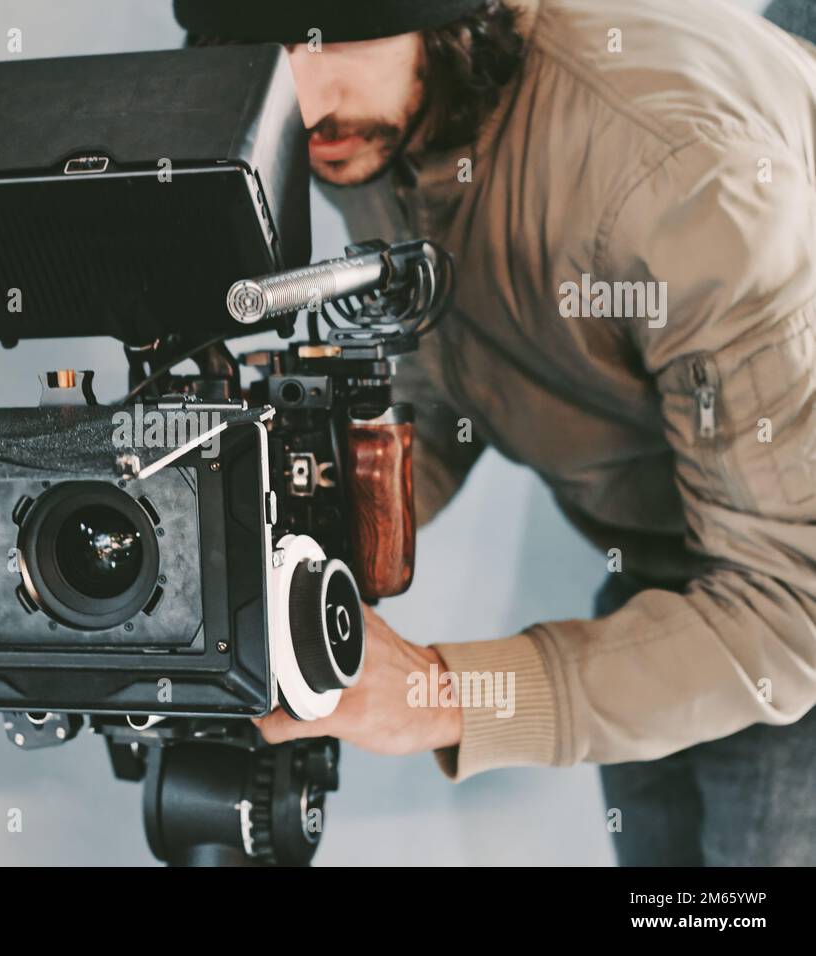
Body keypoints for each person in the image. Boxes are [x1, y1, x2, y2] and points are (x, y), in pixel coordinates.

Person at [173, 0, 816, 865]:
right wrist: (270, 525)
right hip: (669, 575)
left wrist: (446, 695)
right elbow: (444, 367)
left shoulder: (683, 175)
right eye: (260, 45)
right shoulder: (369, 113)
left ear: (449, 22)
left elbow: (788, 610)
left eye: (339, 39)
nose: (299, 88)